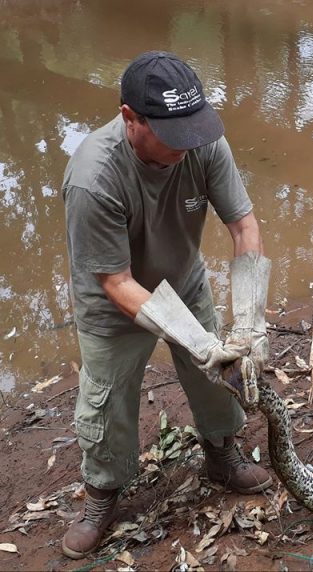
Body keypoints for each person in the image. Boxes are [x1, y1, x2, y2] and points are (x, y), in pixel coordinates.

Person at [60, 51, 272, 559]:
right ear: (130, 118)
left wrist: (247, 322)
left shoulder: (202, 142)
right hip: (114, 301)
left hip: (184, 279)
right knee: (106, 400)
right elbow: (115, 280)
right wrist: (198, 341)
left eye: (192, 131)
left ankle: (221, 454)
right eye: (171, 136)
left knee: (218, 374)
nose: (187, 146)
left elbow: (243, 226)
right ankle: (103, 494)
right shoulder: (94, 177)